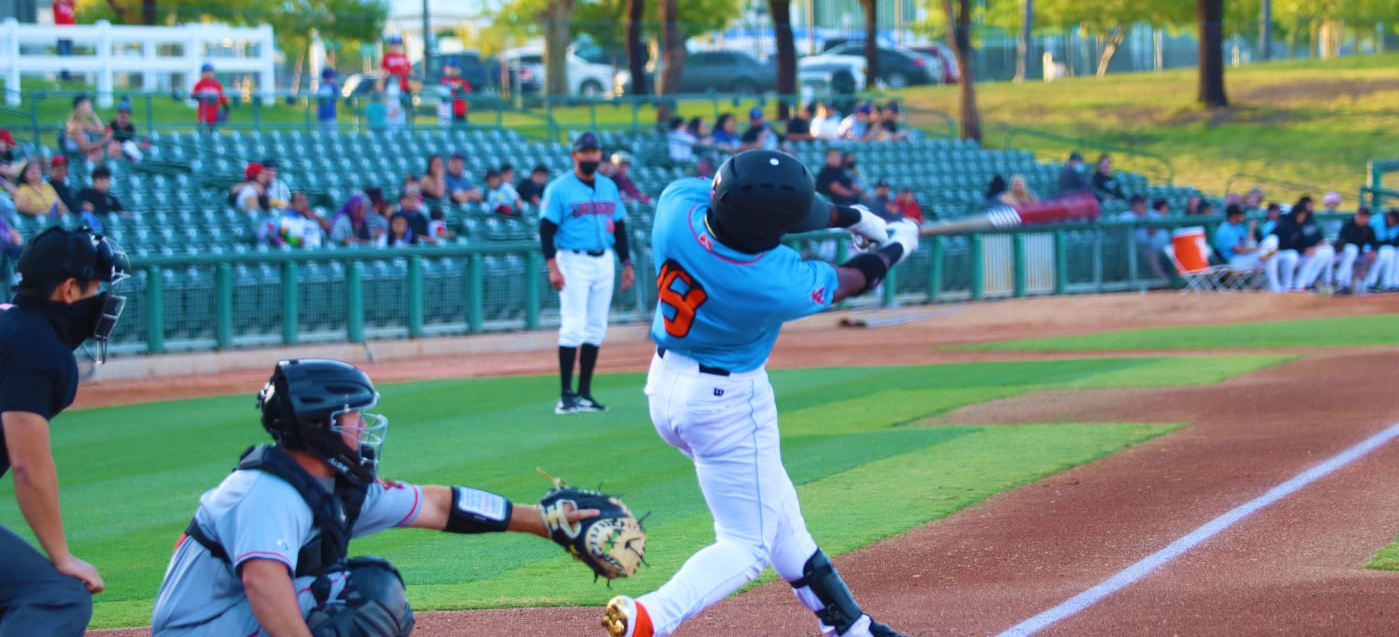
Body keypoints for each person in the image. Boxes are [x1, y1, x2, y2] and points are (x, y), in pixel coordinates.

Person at [603, 149, 913, 637]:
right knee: (747, 545)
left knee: (779, 514)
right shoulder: (770, 283)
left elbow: (754, 202)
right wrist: (897, 246)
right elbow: (854, 279)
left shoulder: (674, 205)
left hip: (665, 384)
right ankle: (652, 617)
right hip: (725, 403)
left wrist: (853, 217)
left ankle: (849, 627)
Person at [150, 359, 601, 636]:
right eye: (352, 417)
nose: (362, 428)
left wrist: (543, 523)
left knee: (380, 598)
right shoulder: (265, 492)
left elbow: (440, 505)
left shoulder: (331, 488)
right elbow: (263, 584)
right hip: (198, 629)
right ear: (318, 425)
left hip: (235, 619)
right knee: (364, 597)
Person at [0, 227, 129, 635]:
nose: (106, 299)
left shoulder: (10, 324)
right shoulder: (39, 347)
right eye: (98, 286)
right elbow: (28, 465)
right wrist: (62, 556)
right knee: (55, 597)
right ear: (69, 290)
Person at [541, 132, 635, 414]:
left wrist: (627, 263)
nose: (592, 156)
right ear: (575, 155)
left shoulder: (607, 186)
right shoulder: (559, 189)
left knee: (596, 327)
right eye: (586, 151)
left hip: (604, 259)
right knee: (573, 326)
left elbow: (618, 226)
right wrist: (552, 267)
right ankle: (566, 396)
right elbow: (546, 230)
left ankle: (584, 394)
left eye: (595, 151)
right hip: (572, 259)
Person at [1333, 207, 1380, 293]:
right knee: (1351, 250)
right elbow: (1341, 243)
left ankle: (1369, 284)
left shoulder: (1368, 229)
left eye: (1364, 217)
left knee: (1378, 254)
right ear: (1356, 216)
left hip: (1356, 256)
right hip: (1342, 254)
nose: (1362, 219)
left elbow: (1374, 243)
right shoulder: (1348, 226)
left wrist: (1373, 251)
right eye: (1360, 216)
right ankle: (1339, 281)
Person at [63, 94, 109, 166]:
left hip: (85, 155)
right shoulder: (75, 125)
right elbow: (83, 147)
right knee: (108, 152)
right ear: (80, 106)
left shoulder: (83, 123)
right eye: (87, 102)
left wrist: (93, 114)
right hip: (78, 158)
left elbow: (101, 130)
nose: (90, 104)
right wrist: (102, 142)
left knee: (110, 150)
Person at [1213, 203, 1263, 269]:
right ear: (1233, 215)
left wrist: (1252, 228)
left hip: (1243, 257)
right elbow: (1239, 250)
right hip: (1232, 261)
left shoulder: (1239, 226)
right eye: (1241, 214)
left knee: (1267, 250)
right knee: (1263, 255)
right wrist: (1257, 248)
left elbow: (1249, 244)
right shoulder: (1224, 229)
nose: (1243, 215)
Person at [192, 63, 229, 129]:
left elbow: (223, 99)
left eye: (210, 72)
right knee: (201, 135)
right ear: (203, 73)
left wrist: (227, 110)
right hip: (202, 115)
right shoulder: (199, 84)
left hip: (214, 115)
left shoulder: (217, 85)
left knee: (213, 135)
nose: (209, 74)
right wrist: (200, 97)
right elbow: (193, 96)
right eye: (207, 72)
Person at [53, 0, 76, 81]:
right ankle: (64, 75)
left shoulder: (68, 3)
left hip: (70, 32)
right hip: (61, 32)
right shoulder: (56, 4)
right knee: (63, 53)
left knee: (69, 53)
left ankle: (68, 74)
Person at [315, 67, 341, 137]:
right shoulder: (332, 87)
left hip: (320, 115)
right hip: (330, 116)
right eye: (332, 77)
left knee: (323, 136)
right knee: (332, 136)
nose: (334, 79)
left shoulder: (321, 86)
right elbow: (338, 95)